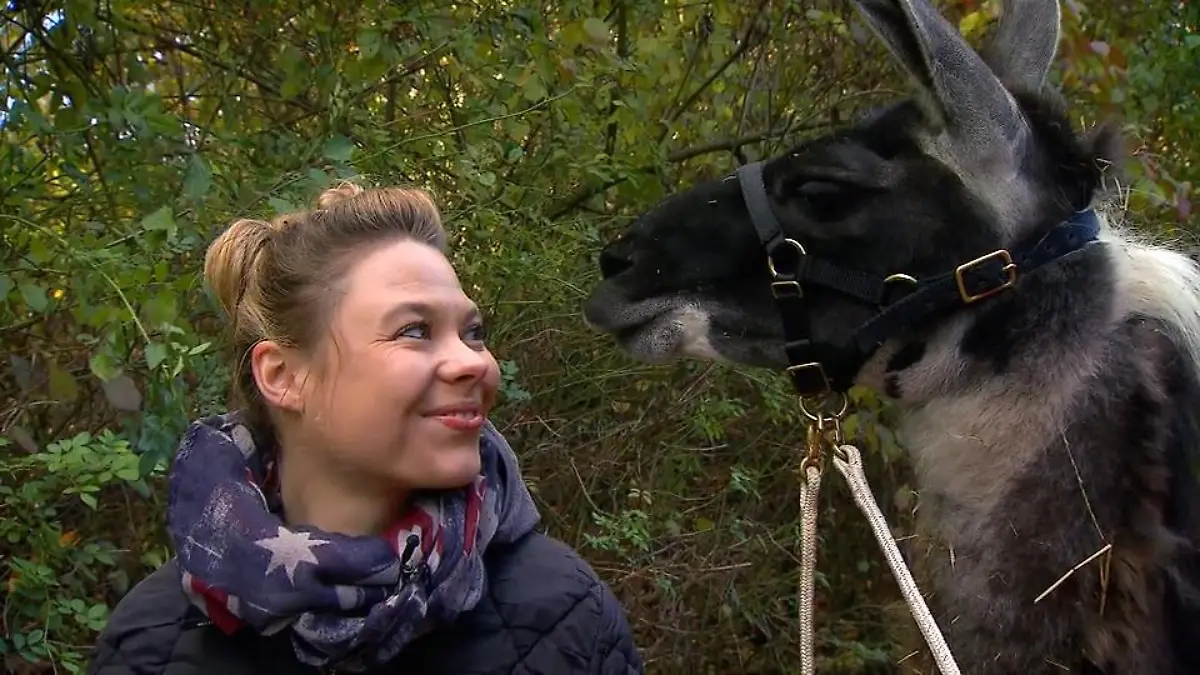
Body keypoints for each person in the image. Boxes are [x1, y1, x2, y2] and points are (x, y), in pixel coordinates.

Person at [87, 181, 644, 674]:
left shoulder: (565, 615)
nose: (477, 362)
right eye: (414, 331)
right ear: (283, 375)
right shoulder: (153, 643)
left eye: (472, 332)